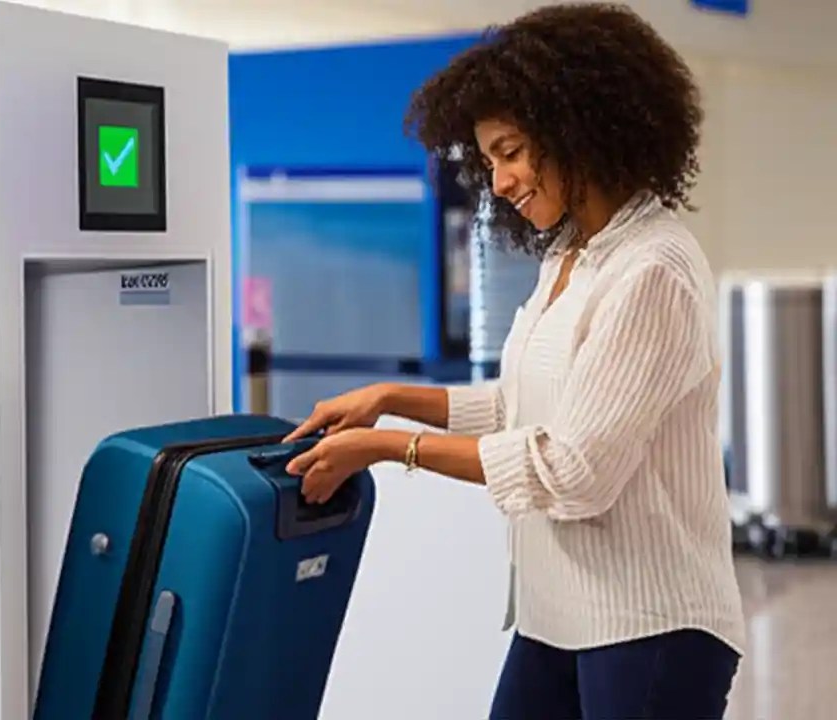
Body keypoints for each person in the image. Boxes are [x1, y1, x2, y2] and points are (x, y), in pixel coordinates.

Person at [282, 4, 746, 718]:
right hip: (556, 614)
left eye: (511, 150)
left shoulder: (653, 271)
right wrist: (389, 398)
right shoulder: (573, 255)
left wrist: (388, 448)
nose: (497, 182)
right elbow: (523, 406)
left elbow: (574, 472)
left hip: (652, 626)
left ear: (579, 127)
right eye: (488, 159)